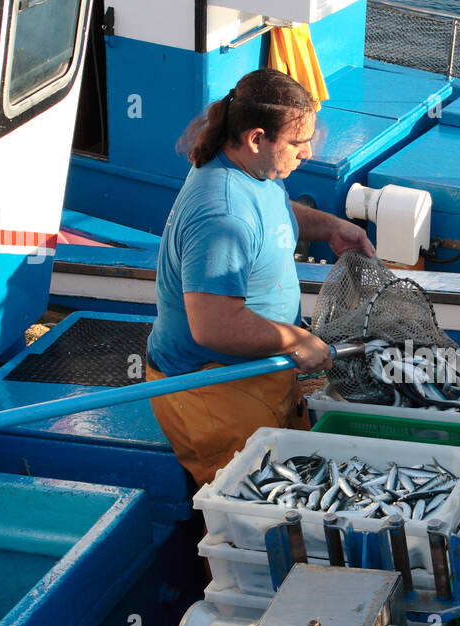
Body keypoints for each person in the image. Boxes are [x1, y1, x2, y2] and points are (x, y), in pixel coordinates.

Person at [145, 68, 375, 488]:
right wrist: (296, 339)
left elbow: (273, 216)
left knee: (293, 492)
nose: (306, 153)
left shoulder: (256, 172)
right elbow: (213, 325)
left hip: (260, 371)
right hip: (213, 386)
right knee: (252, 517)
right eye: (297, 143)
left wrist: (330, 227)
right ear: (256, 138)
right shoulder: (221, 213)